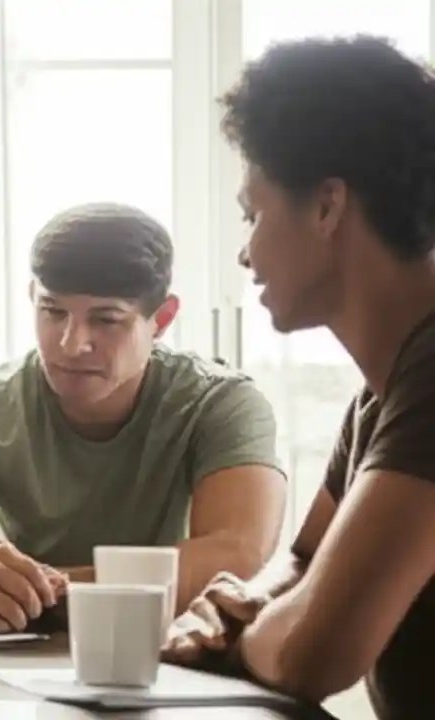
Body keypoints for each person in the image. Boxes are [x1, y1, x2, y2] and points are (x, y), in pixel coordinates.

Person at [163, 36, 435, 719]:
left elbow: (318, 650)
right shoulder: (380, 398)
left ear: (327, 206)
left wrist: (244, 637)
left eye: (254, 214)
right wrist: (245, 604)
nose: (244, 251)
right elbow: (305, 562)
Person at [0, 203, 287, 632]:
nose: (71, 342)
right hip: (11, 659)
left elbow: (238, 552)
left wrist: (45, 591)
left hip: (162, 656)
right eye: (53, 311)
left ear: (162, 319)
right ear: (31, 298)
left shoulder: (222, 404)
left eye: (106, 320)